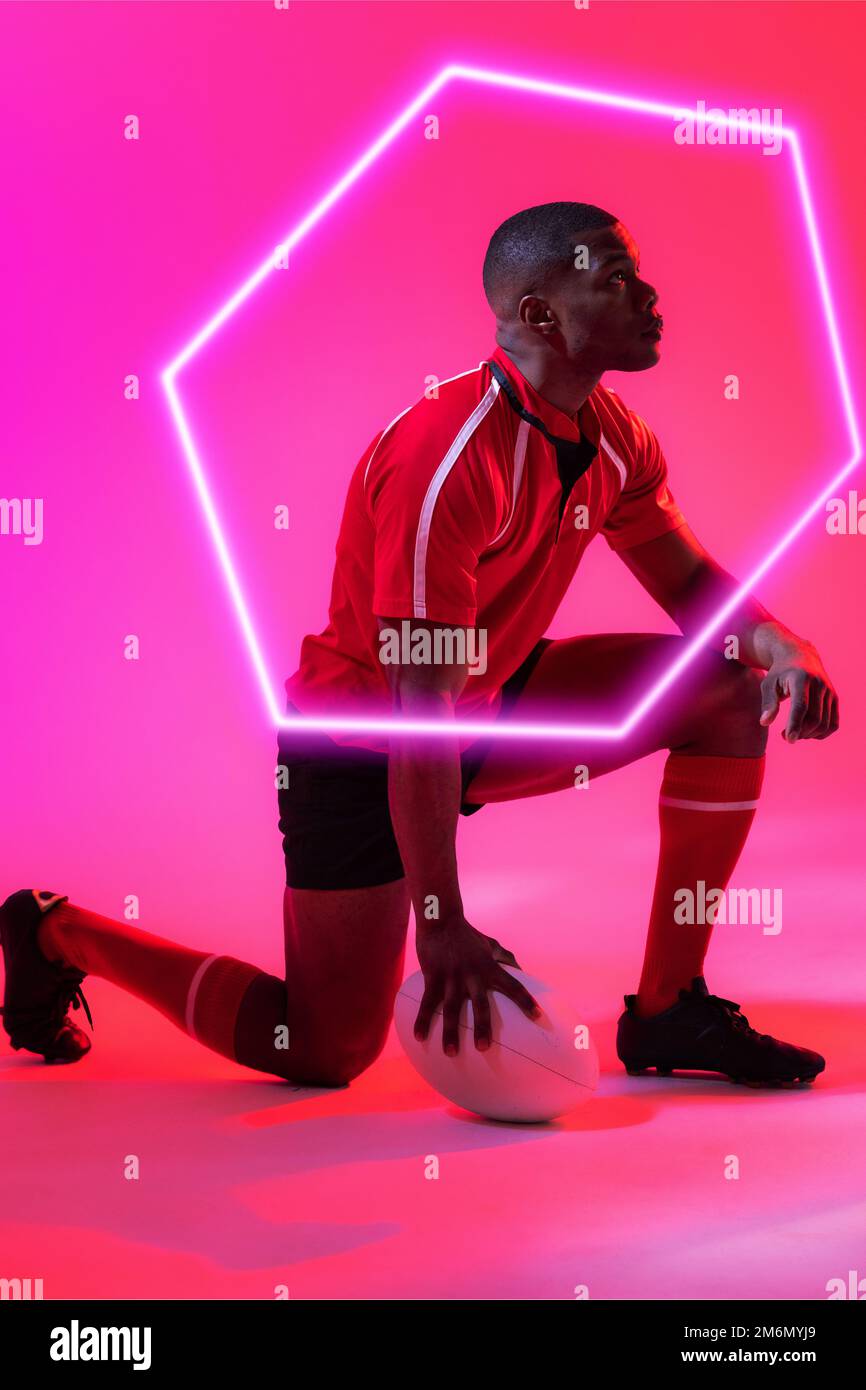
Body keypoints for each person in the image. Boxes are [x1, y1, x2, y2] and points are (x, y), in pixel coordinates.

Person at [1, 203, 837, 1089]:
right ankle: (58, 931)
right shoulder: (449, 459)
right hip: (370, 743)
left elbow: (689, 586)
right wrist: (440, 920)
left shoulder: (614, 435)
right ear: (543, 316)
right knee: (321, 1049)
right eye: (617, 281)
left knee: (733, 692)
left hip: (488, 703)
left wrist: (783, 645)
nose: (651, 296)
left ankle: (671, 1011)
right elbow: (419, 716)